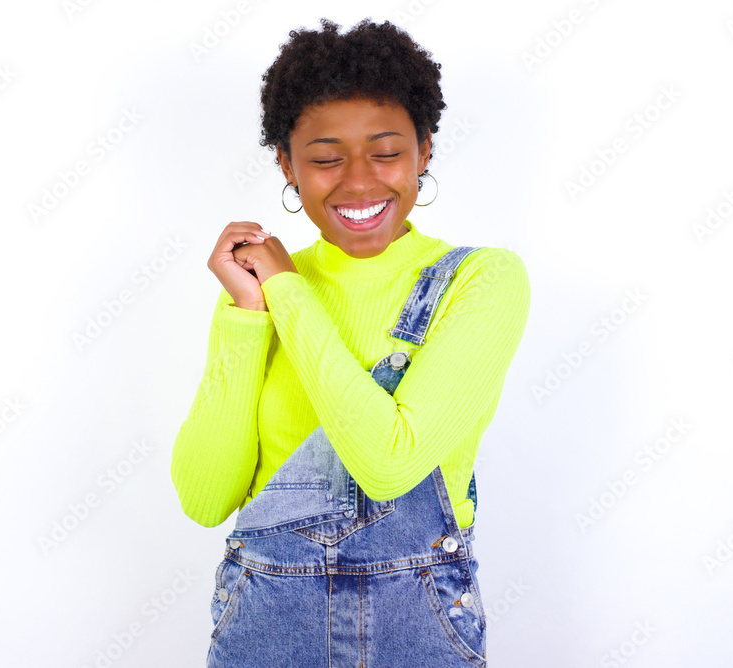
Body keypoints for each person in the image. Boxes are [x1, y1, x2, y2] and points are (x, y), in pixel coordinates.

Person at [170, 17, 530, 667]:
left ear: (425, 150)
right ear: (288, 163)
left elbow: (387, 464)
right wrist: (246, 312)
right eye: (327, 158)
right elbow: (204, 498)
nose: (360, 182)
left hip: (416, 637)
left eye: (387, 152)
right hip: (265, 635)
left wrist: (286, 289)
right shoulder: (263, 290)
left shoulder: (480, 280)